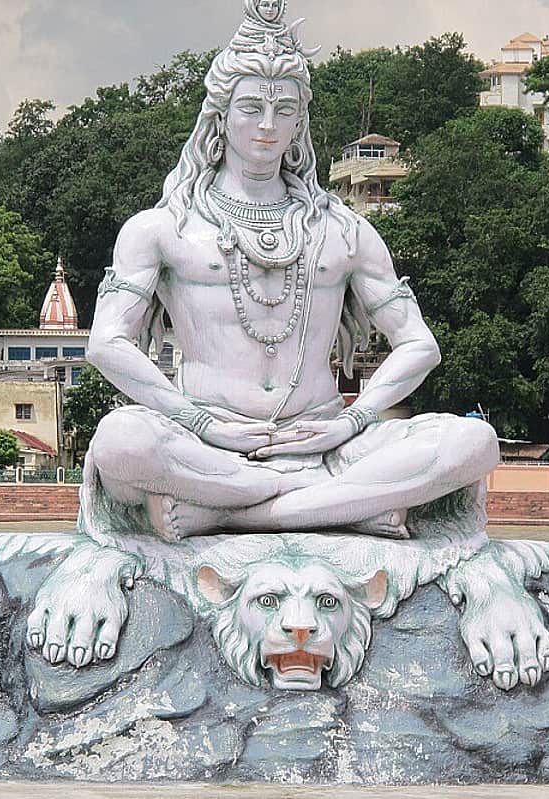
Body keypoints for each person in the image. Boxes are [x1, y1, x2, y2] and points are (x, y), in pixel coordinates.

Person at [78, 0, 498, 543]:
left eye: (286, 111)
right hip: (207, 442)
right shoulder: (161, 228)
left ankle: (235, 514)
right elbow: (106, 343)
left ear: (302, 119)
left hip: (322, 440)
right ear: (220, 115)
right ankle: (345, 509)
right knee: (120, 442)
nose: (268, 127)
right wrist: (199, 422)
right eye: (251, 108)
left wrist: (353, 419)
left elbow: (420, 345)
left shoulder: (342, 229)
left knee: (473, 442)